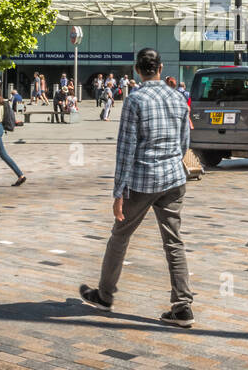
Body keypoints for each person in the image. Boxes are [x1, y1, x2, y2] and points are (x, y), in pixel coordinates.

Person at [79, 48, 194, 328]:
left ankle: (105, 295)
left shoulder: (135, 99)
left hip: (143, 180)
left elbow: (126, 149)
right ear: (160, 67)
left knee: (120, 236)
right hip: (173, 179)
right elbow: (184, 143)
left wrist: (118, 192)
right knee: (174, 241)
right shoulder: (178, 97)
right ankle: (183, 306)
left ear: (136, 70)